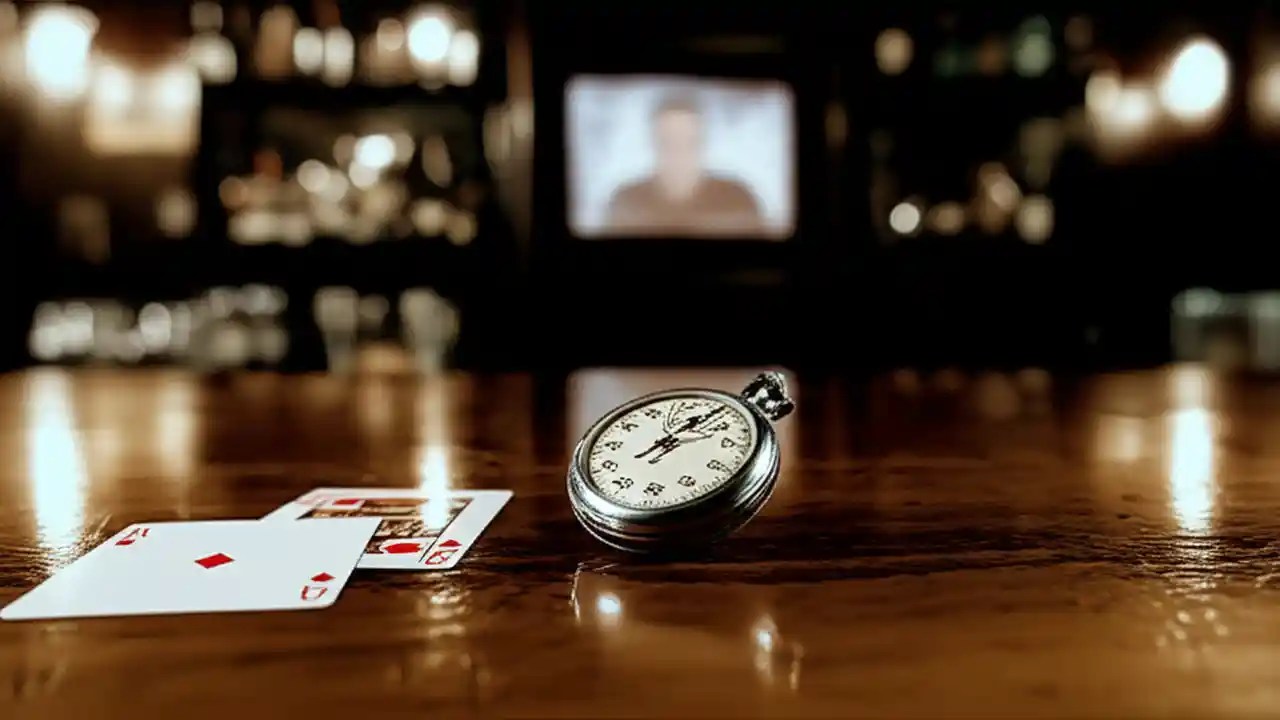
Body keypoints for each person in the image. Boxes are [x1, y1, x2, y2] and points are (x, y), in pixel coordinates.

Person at [604, 95, 764, 236]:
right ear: (653, 143)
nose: (678, 153)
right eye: (668, 141)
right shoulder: (626, 202)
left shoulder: (737, 201)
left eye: (689, 142)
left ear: (703, 142)